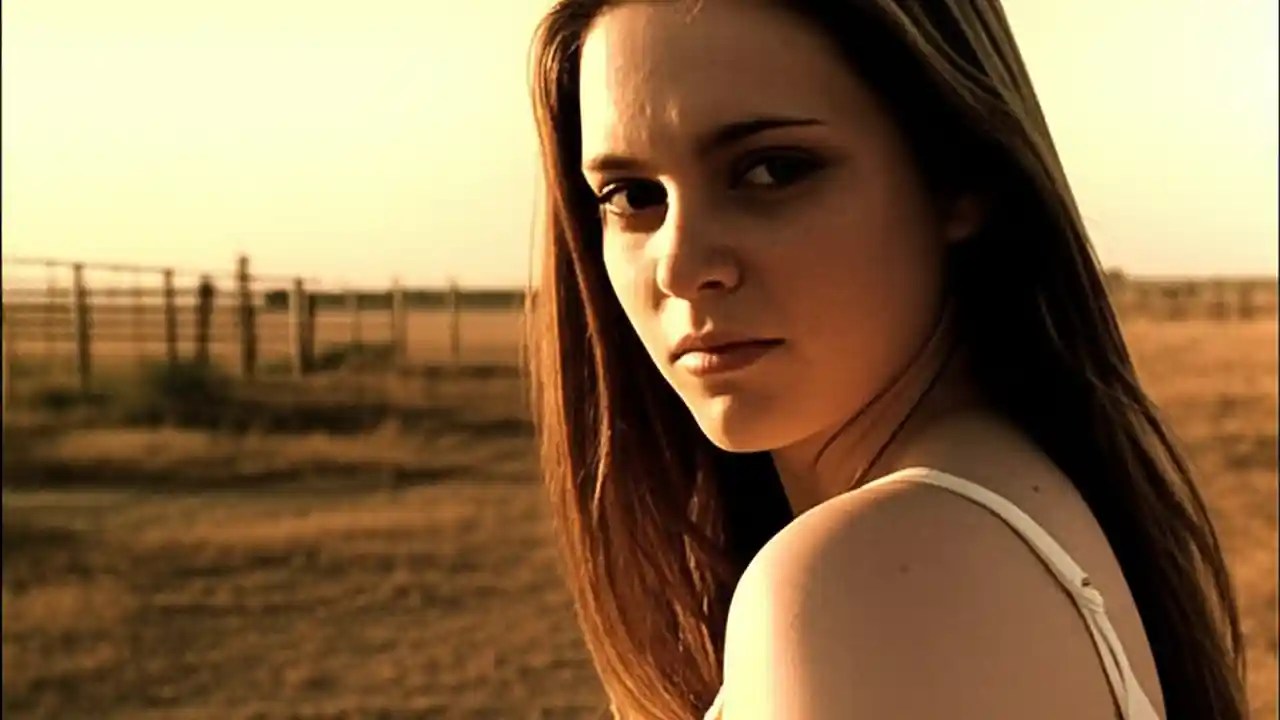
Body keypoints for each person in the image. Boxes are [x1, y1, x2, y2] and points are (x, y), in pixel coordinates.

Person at [523, 1, 1248, 718]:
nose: (679, 267)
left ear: (957, 177)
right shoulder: (1010, 517)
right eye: (632, 196)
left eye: (772, 171)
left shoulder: (873, 580)